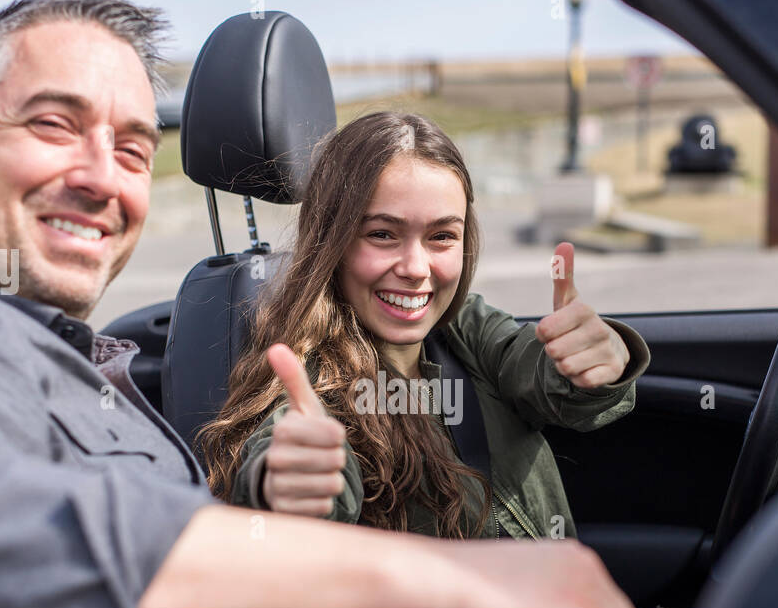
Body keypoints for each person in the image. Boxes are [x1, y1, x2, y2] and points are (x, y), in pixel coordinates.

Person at [0, 0, 649, 608]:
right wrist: (445, 581)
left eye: (135, 148)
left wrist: (595, 365)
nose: (102, 176)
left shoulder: (66, 365)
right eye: (54, 125)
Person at [201, 112, 650, 542]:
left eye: (441, 236)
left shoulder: (465, 329)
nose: (416, 268)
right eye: (382, 234)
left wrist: (597, 358)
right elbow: (289, 458)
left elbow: (538, 371)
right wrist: (287, 480)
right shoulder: (310, 379)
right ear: (332, 243)